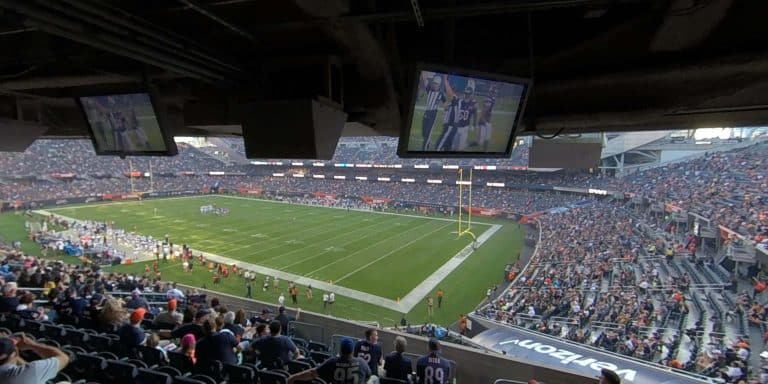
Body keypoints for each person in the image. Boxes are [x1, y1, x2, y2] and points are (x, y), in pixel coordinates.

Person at [287, 338, 370, 384]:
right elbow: (368, 376)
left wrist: (292, 377)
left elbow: (311, 374)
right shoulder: (362, 362)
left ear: (340, 350)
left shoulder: (332, 362)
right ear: (352, 351)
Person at [0, 334, 69, 383]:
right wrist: (32, 345)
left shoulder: (21, 372)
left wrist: (15, 354)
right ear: (14, 353)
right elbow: (64, 358)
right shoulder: (31, 371)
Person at [420, 73, 447, 150]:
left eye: (437, 84)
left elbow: (445, 104)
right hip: (426, 112)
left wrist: (445, 114)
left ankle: (424, 149)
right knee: (424, 132)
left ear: (439, 84)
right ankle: (428, 143)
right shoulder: (429, 89)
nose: (435, 85)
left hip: (433, 114)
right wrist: (423, 71)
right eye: (434, 83)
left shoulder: (441, 94)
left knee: (428, 133)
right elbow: (425, 79)